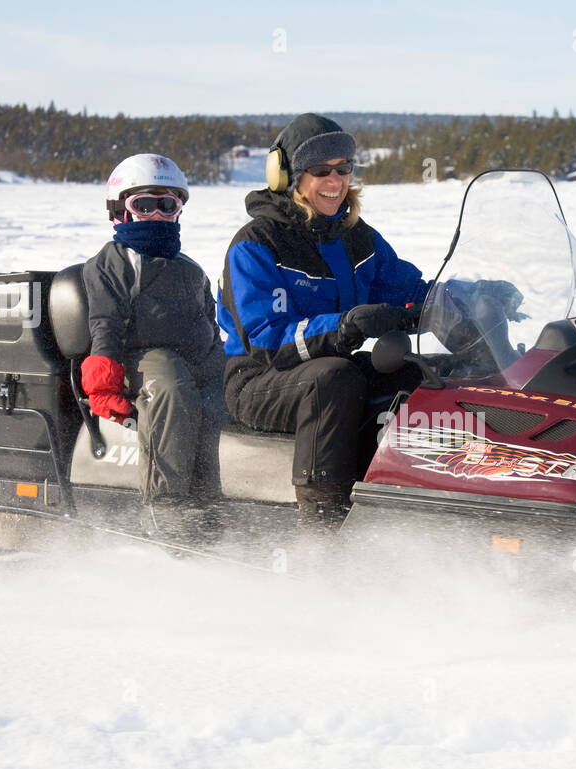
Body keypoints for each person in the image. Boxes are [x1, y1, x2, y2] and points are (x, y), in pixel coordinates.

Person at [216, 114, 425, 524]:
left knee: (414, 375)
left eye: (343, 168)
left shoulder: (357, 237)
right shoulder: (257, 244)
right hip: (256, 380)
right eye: (319, 170)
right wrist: (344, 325)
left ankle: (406, 495)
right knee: (332, 379)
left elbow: (407, 290)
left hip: (330, 365)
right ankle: (322, 514)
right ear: (288, 177)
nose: (335, 180)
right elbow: (266, 338)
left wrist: (469, 297)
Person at [80, 152, 226, 538]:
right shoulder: (113, 263)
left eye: (167, 205)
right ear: (120, 211)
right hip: (139, 359)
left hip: (191, 358)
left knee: (222, 396)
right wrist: (103, 384)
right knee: (172, 385)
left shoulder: (190, 268)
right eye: (145, 205)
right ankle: (165, 506)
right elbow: (105, 325)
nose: (158, 214)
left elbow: (210, 324)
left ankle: (213, 500)